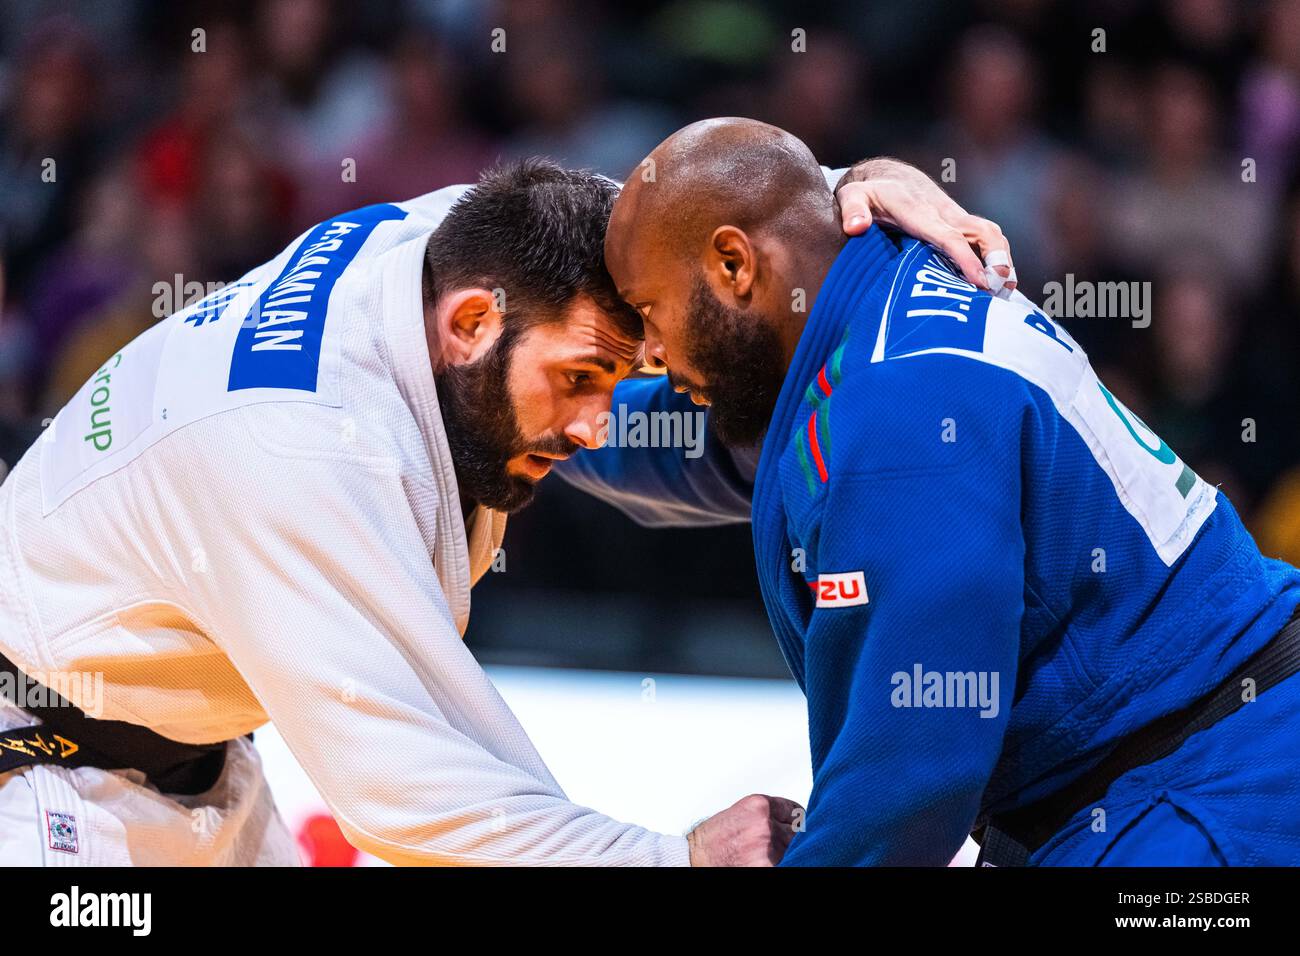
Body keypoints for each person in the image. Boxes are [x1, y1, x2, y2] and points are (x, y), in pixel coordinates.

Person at [0, 151, 1001, 866]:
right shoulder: (305, 453)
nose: (602, 424)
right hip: (56, 783)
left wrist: (848, 200)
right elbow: (421, 802)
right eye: (580, 378)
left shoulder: (468, 241)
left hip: (200, 750)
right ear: (471, 324)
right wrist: (676, 858)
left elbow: (694, 209)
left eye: (621, 374)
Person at [561, 118, 1300, 866]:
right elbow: (706, 441)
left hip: (1215, 799)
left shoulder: (898, 416)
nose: (649, 352)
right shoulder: (887, 279)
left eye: (649, 311)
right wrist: (548, 408)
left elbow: (906, 787)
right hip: (1189, 767)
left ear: (733, 264)